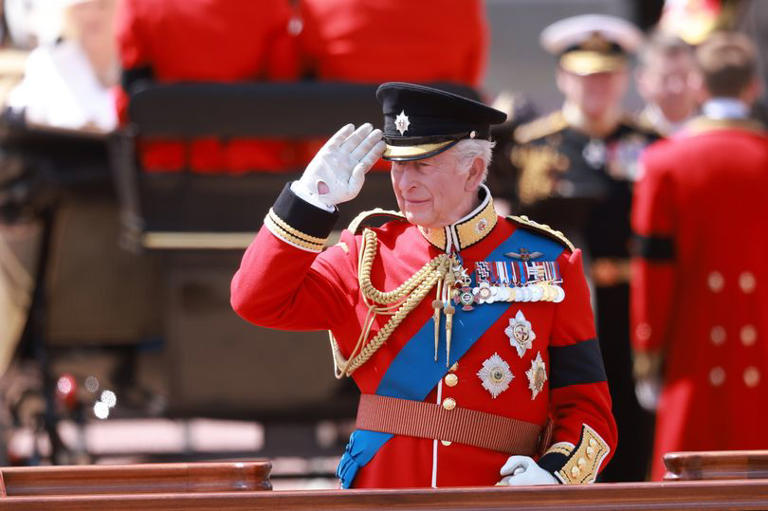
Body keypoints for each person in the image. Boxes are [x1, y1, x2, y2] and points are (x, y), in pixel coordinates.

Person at [231, 82, 616, 489]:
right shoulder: (365, 254)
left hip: (495, 498)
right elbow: (255, 300)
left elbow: (588, 409)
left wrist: (553, 476)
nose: (404, 182)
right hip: (383, 494)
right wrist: (310, 202)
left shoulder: (550, 262)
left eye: (422, 166)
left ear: (471, 169)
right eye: (398, 165)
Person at [509, 14, 659, 482]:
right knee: (563, 417)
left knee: (636, 425)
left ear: (625, 78)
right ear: (563, 77)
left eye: (607, 75)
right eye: (585, 74)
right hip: (560, 308)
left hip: (633, 309)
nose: (597, 86)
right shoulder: (530, 147)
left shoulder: (652, 146)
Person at [631, 31, 768, 481]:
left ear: (698, 86)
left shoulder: (664, 161)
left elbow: (653, 268)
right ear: (753, 88)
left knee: (687, 484)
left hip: (693, 349)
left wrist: (648, 350)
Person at [115, 0, 300, 173]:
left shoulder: (141, 4)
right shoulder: (271, 5)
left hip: (167, 171)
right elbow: (285, 90)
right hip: (257, 169)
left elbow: (127, 104)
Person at [296, 0, 487, 88]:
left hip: (334, 162)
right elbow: (468, 82)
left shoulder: (317, 6)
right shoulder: (462, 5)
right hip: (435, 160)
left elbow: (291, 76)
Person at [635, 31, 702, 136]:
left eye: (684, 77)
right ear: (642, 80)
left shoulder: (714, 132)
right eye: (665, 79)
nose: (676, 88)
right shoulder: (634, 135)